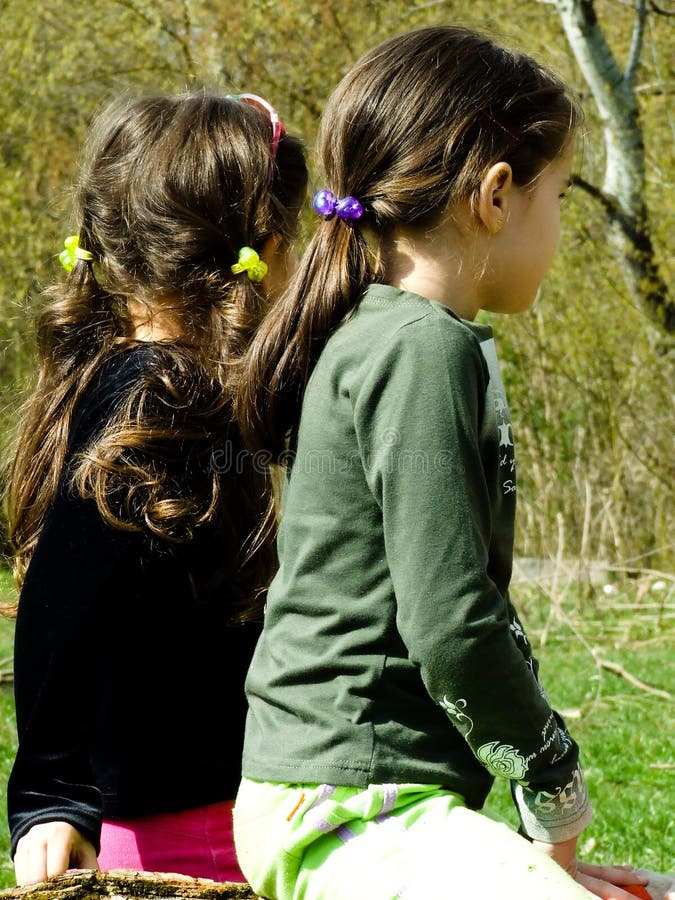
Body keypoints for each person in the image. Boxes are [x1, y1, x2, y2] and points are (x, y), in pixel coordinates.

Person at [231, 26, 655, 900]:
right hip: (345, 810)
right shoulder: (420, 346)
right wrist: (552, 777)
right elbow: (454, 625)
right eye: (560, 196)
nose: (562, 226)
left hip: (368, 801)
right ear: (496, 196)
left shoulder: (397, 335)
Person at [5, 90, 307, 886]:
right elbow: (63, 600)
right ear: (265, 248)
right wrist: (51, 791)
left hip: (190, 821)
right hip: (196, 841)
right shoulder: (163, 397)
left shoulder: (130, 379)